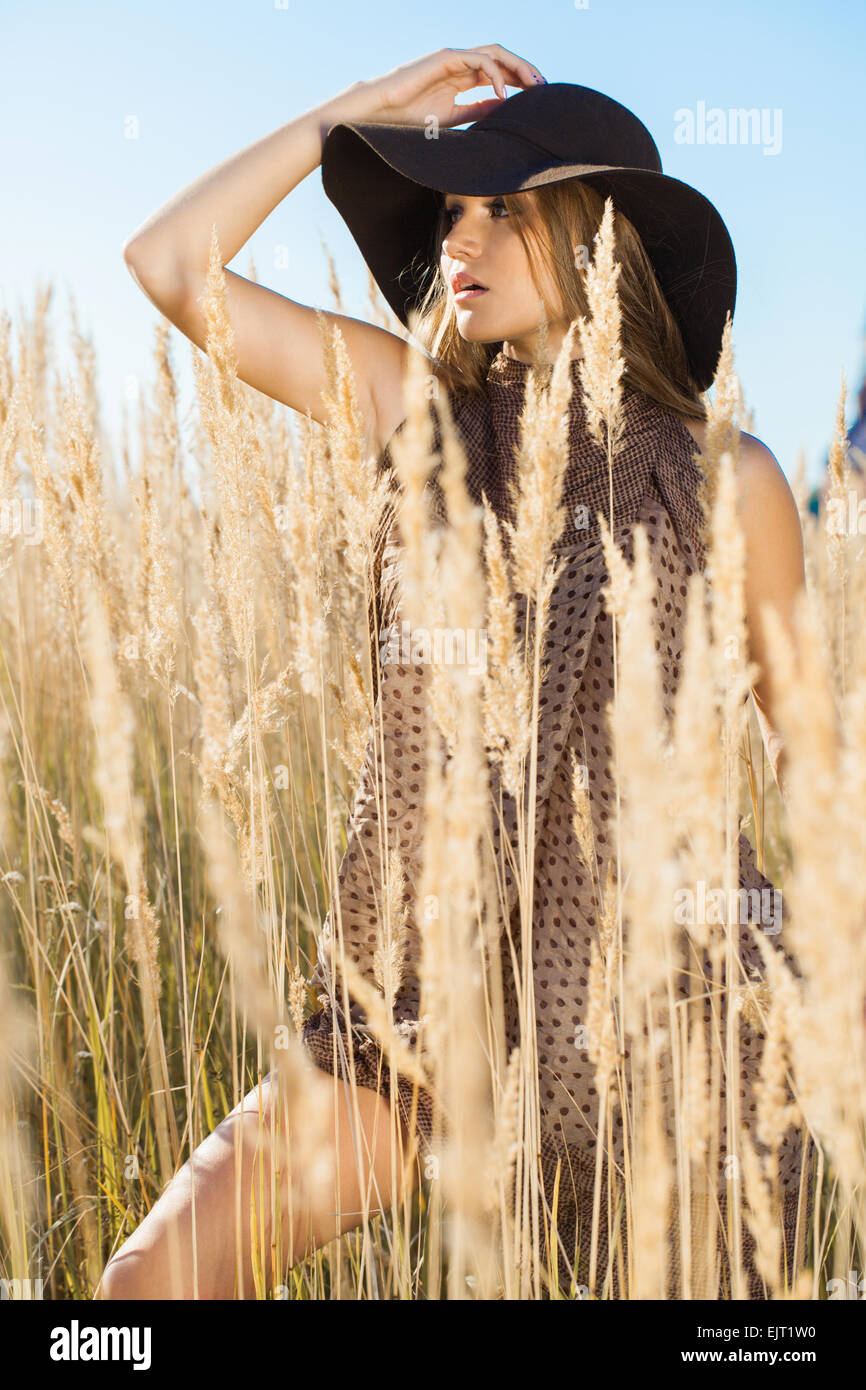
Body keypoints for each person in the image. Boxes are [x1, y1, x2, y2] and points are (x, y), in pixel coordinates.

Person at [102, 45, 809, 1300]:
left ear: (598, 237)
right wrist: (348, 116)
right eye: (451, 208)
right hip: (420, 1006)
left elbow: (818, 761)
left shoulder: (723, 478)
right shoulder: (410, 416)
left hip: (660, 1016)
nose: (462, 237)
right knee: (146, 1293)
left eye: (505, 207)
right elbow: (171, 267)